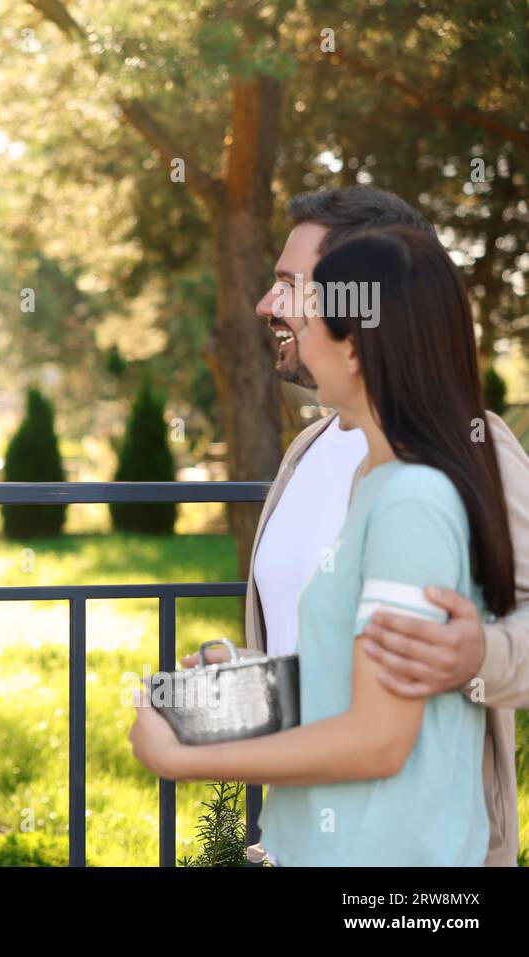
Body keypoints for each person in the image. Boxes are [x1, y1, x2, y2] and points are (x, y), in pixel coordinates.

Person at [130, 226, 516, 865]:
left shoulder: (411, 499)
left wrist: (182, 758)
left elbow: (379, 741)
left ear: (356, 348)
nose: (295, 336)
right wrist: (248, 684)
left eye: (311, 323)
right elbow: (362, 689)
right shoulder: (380, 479)